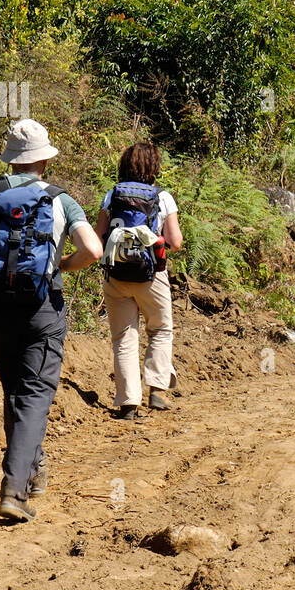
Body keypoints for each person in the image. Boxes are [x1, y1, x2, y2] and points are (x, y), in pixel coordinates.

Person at [0, 119, 102, 522]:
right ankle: (14, 490)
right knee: (33, 397)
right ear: (44, 159)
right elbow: (94, 250)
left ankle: (31, 469)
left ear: (12, 160)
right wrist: (61, 265)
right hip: (42, 309)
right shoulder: (61, 200)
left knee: (15, 392)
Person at [94, 142, 185, 420]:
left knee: (123, 337)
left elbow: (98, 236)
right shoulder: (163, 197)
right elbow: (175, 241)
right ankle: (156, 391)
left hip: (116, 275)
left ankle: (128, 404)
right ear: (153, 167)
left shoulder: (112, 195)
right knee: (159, 329)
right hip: (151, 276)